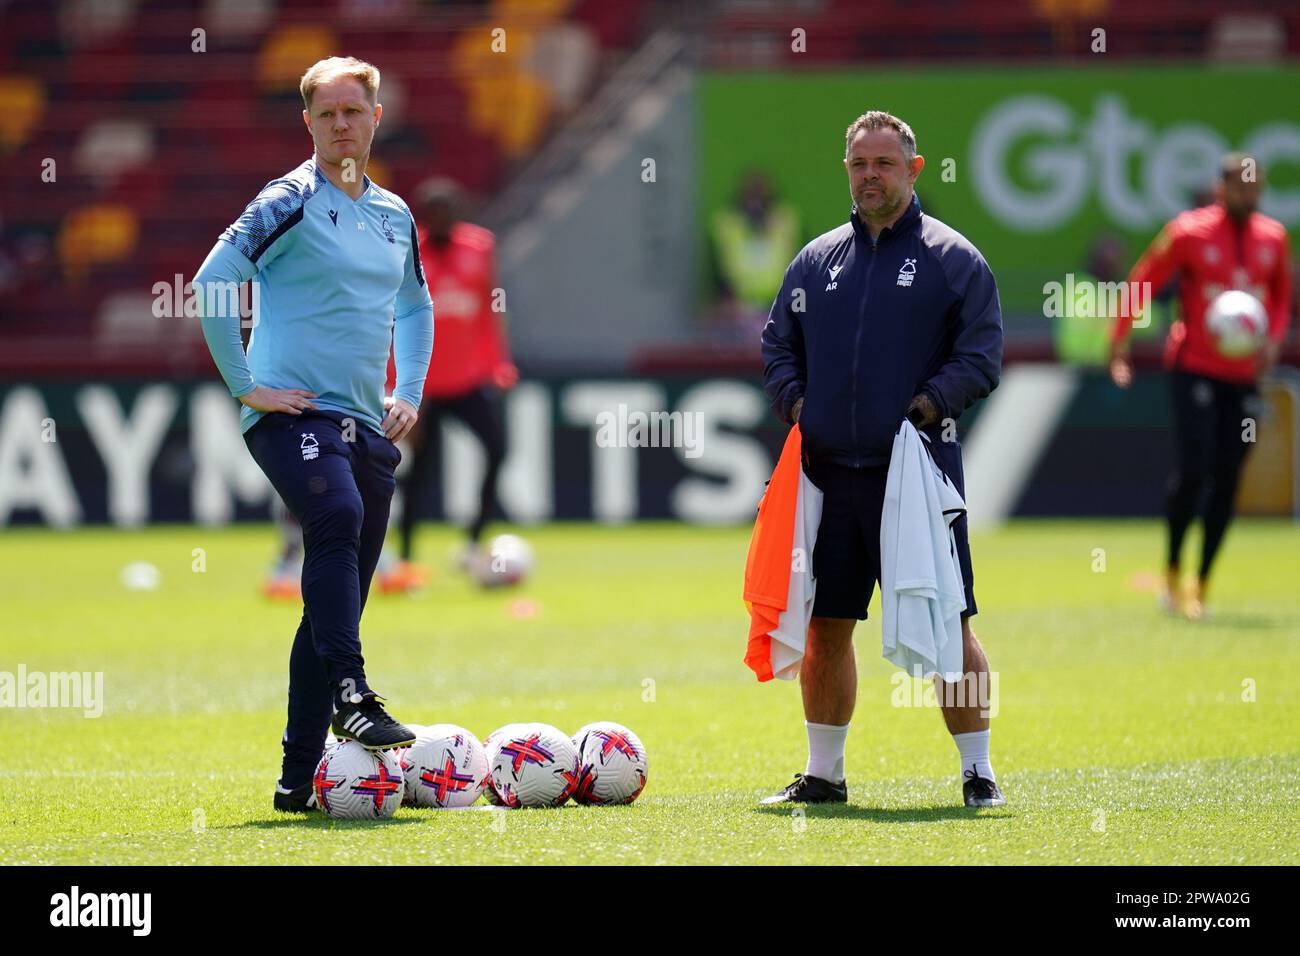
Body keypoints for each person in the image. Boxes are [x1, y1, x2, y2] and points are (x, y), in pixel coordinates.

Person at [194, 56, 434, 813]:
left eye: (352, 112)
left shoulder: (395, 215)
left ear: (375, 116)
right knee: (335, 519)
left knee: (336, 603)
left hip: (366, 422)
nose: (340, 125)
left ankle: (297, 779)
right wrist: (245, 386)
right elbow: (211, 280)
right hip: (293, 413)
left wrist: (410, 392)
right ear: (307, 123)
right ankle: (355, 694)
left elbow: (416, 307)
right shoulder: (287, 201)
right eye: (326, 114)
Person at [759, 110, 1005, 809]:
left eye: (885, 164)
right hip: (829, 475)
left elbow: (981, 358)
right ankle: (824, 774)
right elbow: (778, 346)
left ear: (914, 169)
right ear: (847, 170)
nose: (871, 175)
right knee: (825, 625)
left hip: (918, 473)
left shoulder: (954, 259)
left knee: (949, 620)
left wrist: (925, 408)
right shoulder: (816, 260)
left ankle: (978, 773)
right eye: (860, 164)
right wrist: (799, 404)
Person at [1109, 152, 1292, 620]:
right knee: (1195, 468)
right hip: (1194, 368)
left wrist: (1272, 339)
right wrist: (1119, 343)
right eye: (1241, 189)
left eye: (1256, 190)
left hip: (1244, 377)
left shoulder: (1273, 238)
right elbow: (1143, 281)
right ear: (1221, 189)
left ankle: (1202, 582)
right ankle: (1172, 571)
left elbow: (1280, 296)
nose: (1249, 197)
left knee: (1229, 477)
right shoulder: (1188, 232)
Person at [377, 178, 518, 593]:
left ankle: (474, 539)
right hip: (423, 388)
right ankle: (404, 561)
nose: (443, 218)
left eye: (448, 210)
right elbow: (392, 320)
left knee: (498, 449)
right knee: (420, 473)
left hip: (467, 378)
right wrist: (395, 386)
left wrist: (499, 364)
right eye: (435, 212)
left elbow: (490, 308)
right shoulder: (406, 251)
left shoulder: (480, 247)